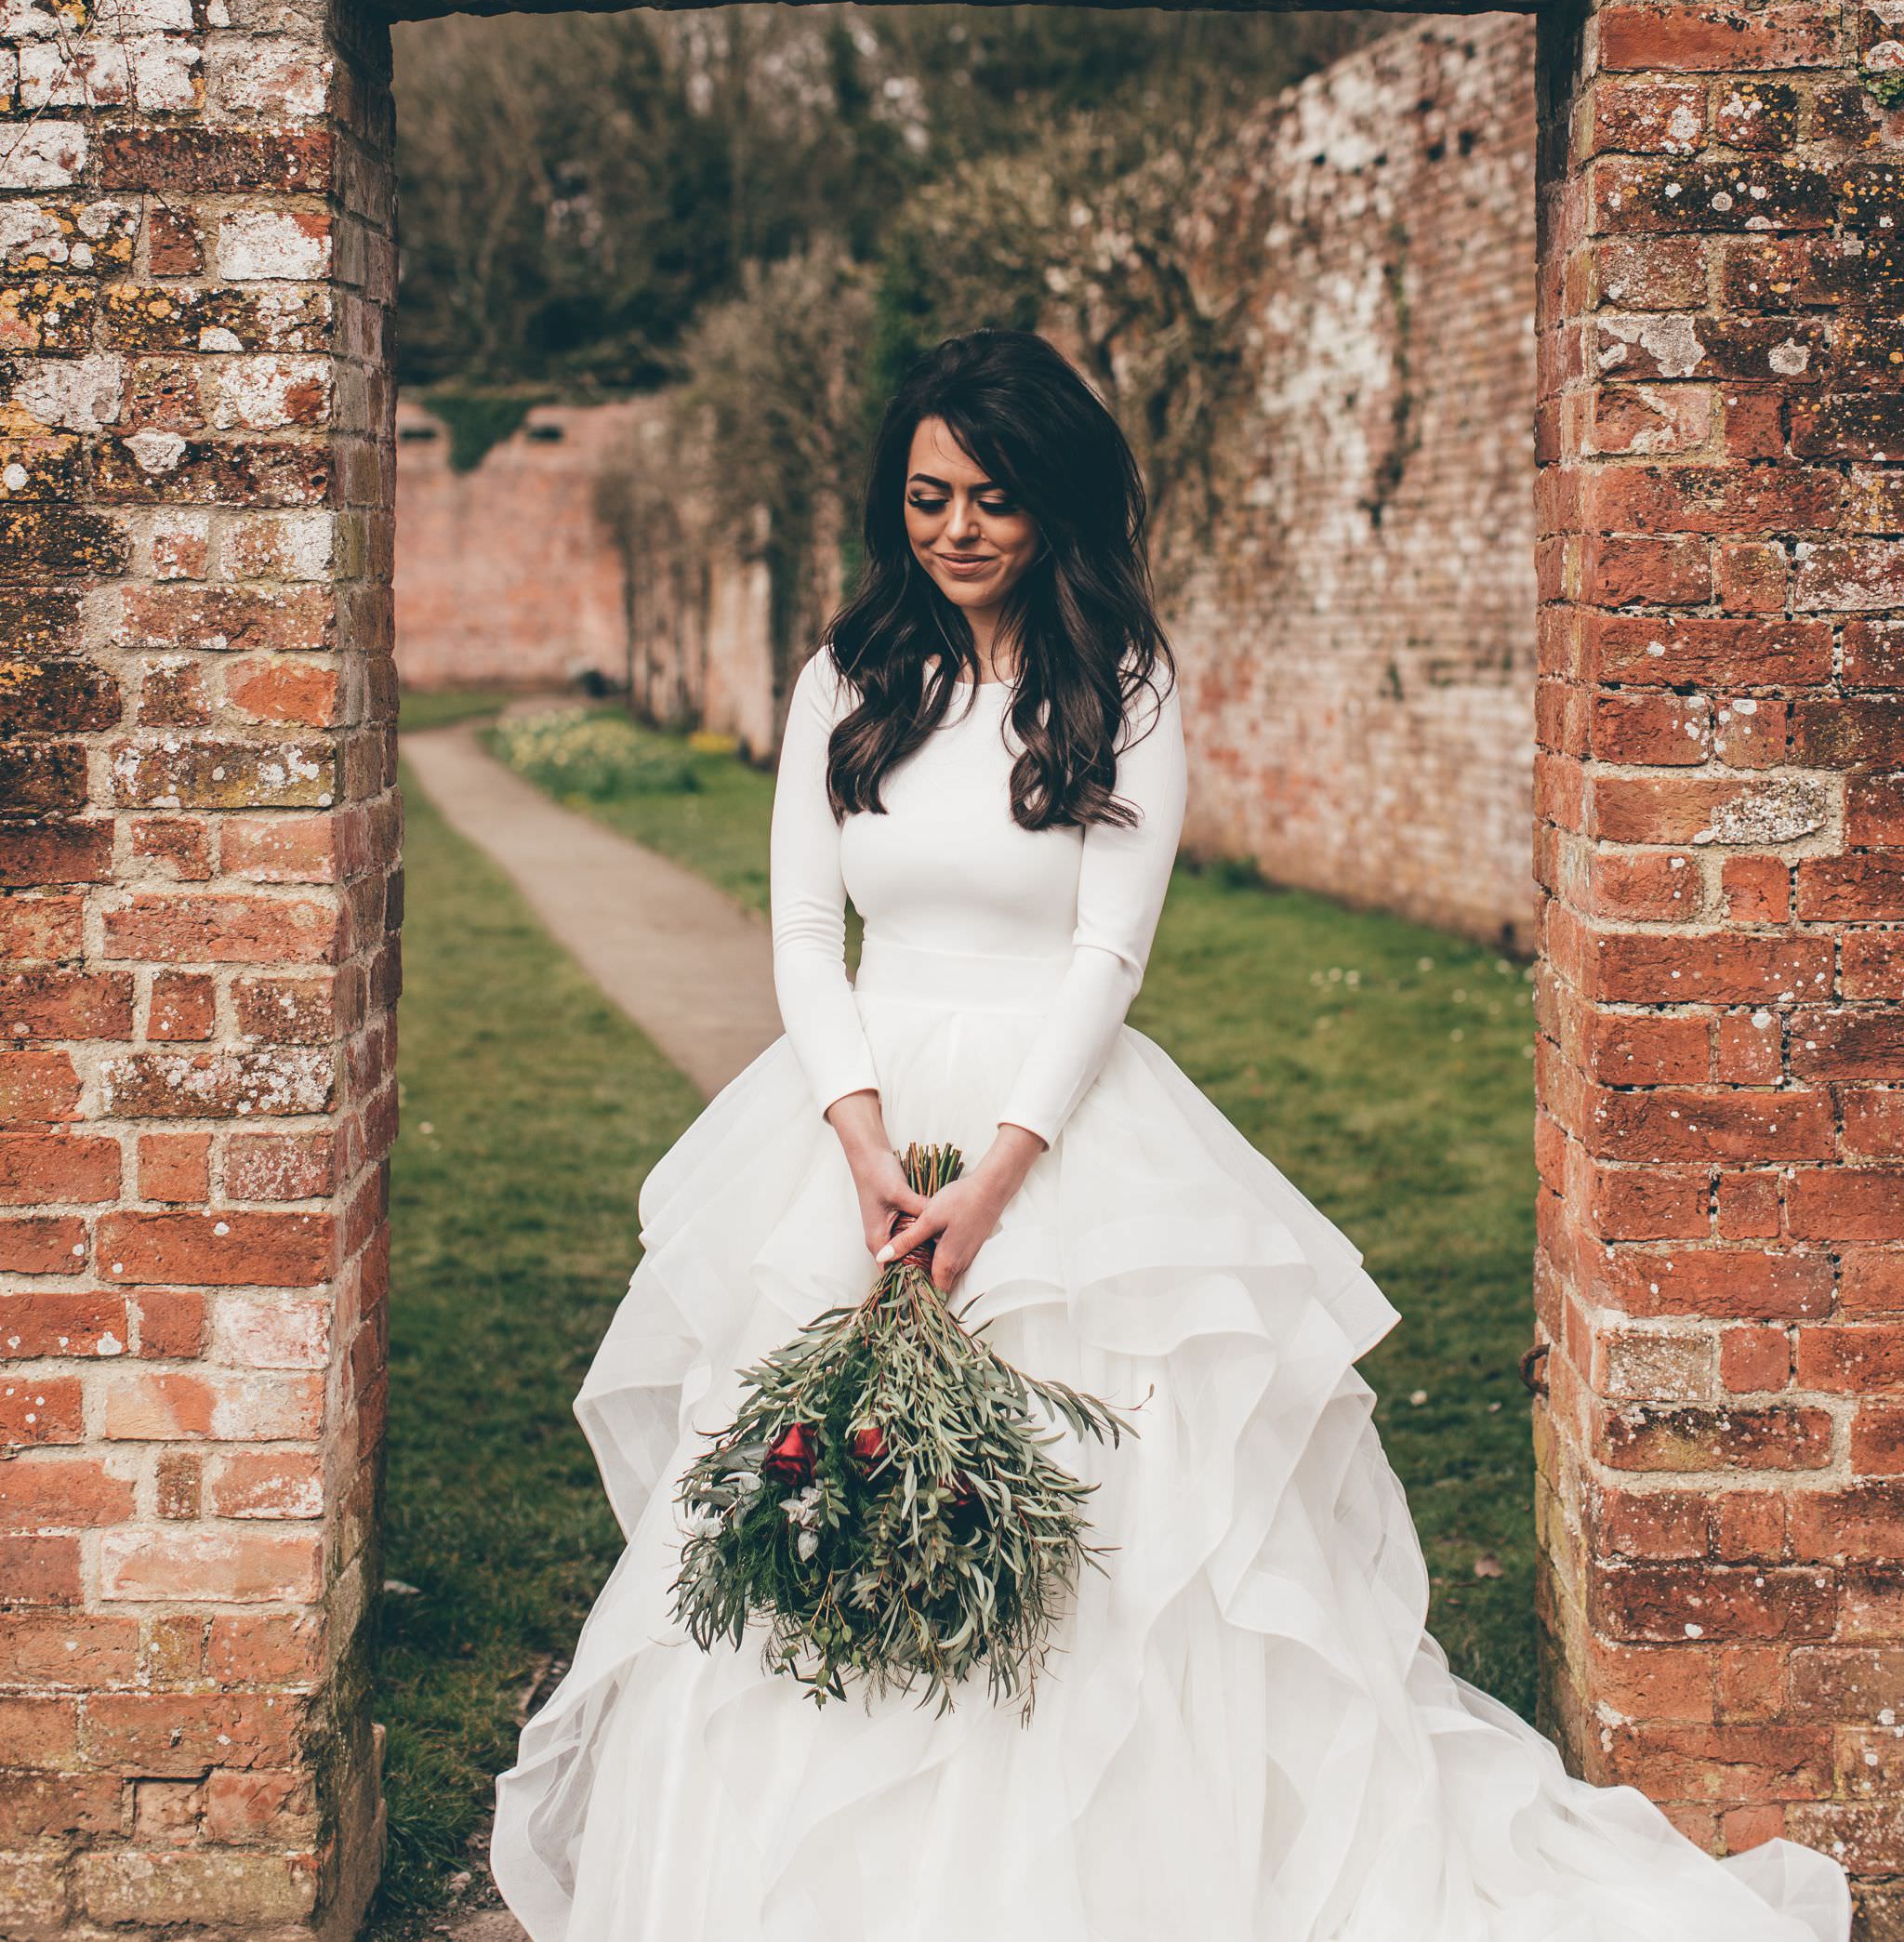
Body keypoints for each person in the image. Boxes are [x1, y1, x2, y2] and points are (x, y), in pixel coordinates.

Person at [492, 329, 1849, 1942]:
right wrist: (859, 1142)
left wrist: (996, 1178)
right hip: (854, 1134)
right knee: (825, 1507)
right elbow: (802, 935)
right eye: (929, 498)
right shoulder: (844, 679)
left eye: (994, 498)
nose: (959, 531)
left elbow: (1107, 955)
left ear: (1054, 505)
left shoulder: (1118, 685)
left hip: (1056, 1141)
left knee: (1105, 1547)